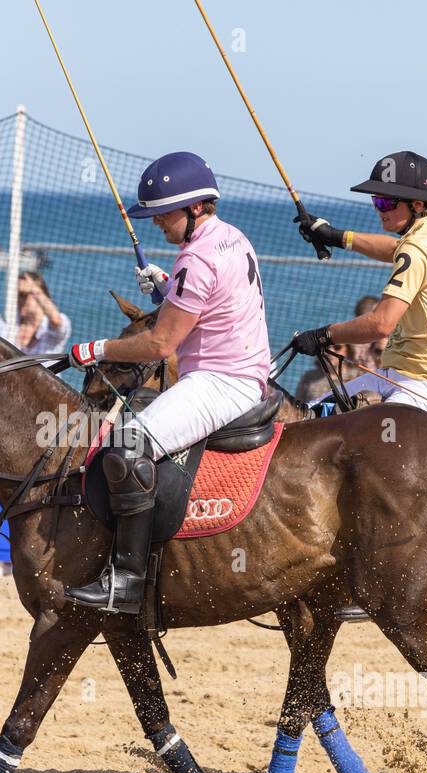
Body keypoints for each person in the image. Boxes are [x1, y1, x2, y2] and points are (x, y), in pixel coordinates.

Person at [64, 151, 270, 614]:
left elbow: (159, 345)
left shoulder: (195, 259)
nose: (156, 223)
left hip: (220, 383)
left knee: (124, 448)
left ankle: (127, 581)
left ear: (195, 207)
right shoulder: (233, 238)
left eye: (162, 214)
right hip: (248, 373)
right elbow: (210, 303)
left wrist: (94, 350)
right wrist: (165, 284)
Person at [290, 151, 427, 422]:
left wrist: (322, 336)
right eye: (376, 200)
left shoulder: (417, 247)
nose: (378, 208)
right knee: (308, 416)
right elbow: (395, 249)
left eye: (387, 201)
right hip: (402, 376)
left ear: (418, 205)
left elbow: (381, 324)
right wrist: (337, 237)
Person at [295, 296, 378, 403]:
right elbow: (297, 404)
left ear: (347, 351)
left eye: (337, 347)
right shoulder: (309, 377)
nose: (332, 351)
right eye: (326, 348)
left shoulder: (358, 376)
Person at [13, 271, 70, 354]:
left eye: (23, 295)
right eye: (17, 295)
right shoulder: (8, 323)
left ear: (39, 297)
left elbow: (56, 320)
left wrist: (33, 288)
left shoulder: (49, 328)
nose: (18, 300)